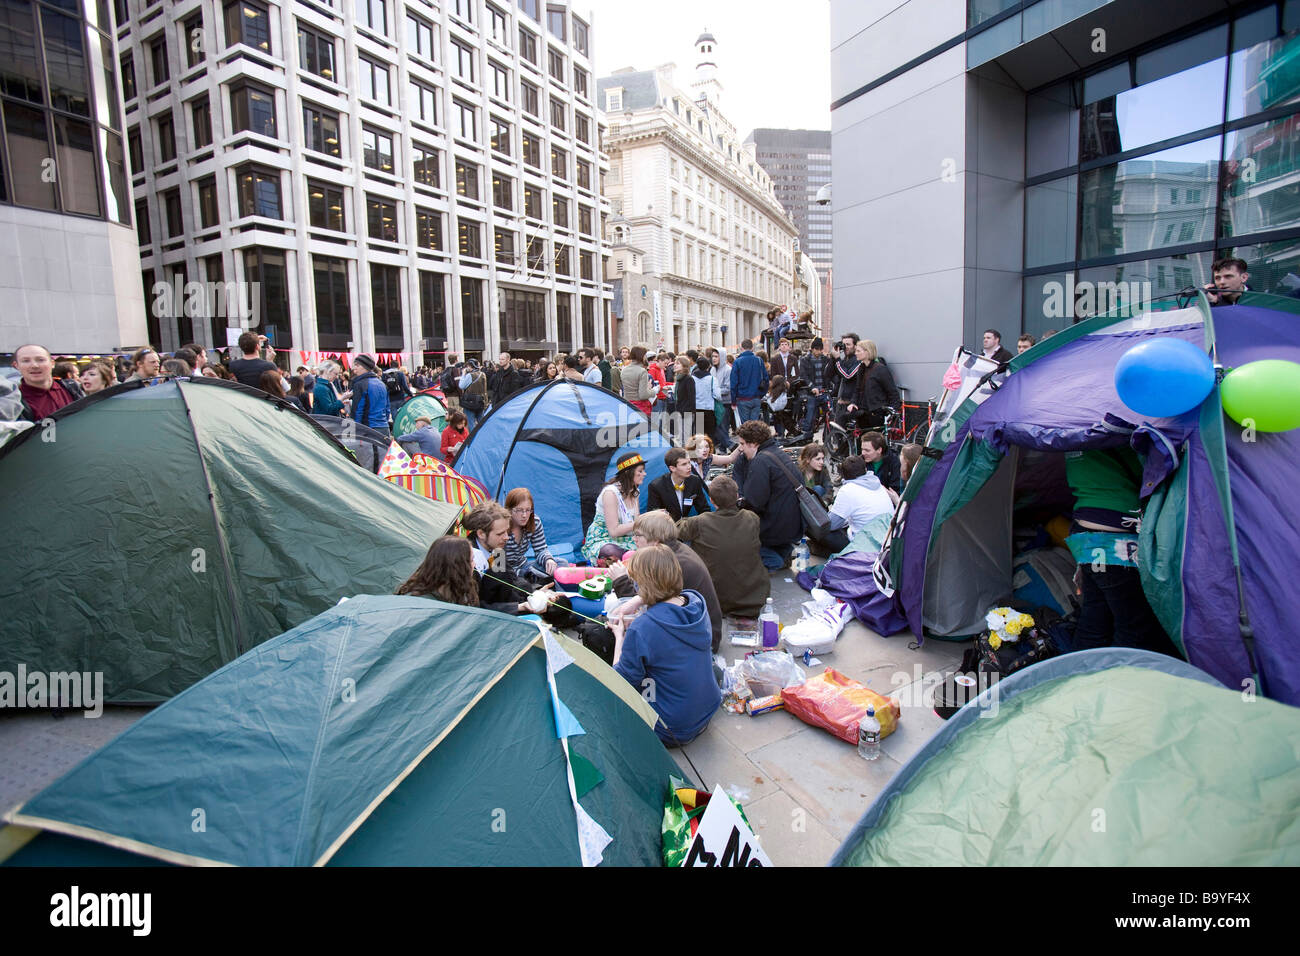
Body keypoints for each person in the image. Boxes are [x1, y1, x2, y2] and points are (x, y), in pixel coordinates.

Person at [1061, 447, 1177, 655]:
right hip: (1115, 541)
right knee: (1133, 628)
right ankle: (1121, 682)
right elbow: (1148, 471)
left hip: (1086, 535)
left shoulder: (1070, 428)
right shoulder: (1112, 428)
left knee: (1095, 619)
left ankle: (1075, 679)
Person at [608, 543, 720, 747]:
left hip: (672, 728)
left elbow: (622, 682)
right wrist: (639, 603)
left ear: (643, 584)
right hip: (708, 709)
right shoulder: (695, 602)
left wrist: (620, 638)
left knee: (608, 694)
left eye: (636, 582)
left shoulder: (642, 629)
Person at [608, 510, 723, 652]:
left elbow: (654, 611)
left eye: (638, 535)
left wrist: (621, 581)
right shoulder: (674, 553)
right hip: (696, 630)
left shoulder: (677, 564)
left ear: (655, 539)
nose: (634, 539)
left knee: (618, 632)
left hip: (700, 642)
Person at [675, 475, 770, 619]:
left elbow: (676, 530)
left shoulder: (700, 522)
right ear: (737, 496)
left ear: (712, 501)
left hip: (717, 600)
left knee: (684, 543)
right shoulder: (751, 518)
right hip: (755, 598)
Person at [463, 501, 559, 615]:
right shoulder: (469, 560)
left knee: (558, 605)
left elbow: (511, 580)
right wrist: (519, 607)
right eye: (500, 534)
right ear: (481, 534)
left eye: (507, 532)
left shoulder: (496, 549)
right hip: (487, 616)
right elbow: (477, 606)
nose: (506, 538)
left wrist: (535, 592)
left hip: (506, 604)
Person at [735, 420, 803, 569]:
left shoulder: (761, 461)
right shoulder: (777, 453)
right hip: (791, 524)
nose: (740, 449)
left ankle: (772, 560)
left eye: (742, 444)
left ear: (753, 443)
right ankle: (782, 553)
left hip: (774, 527)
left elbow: (755, 501)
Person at [810, 455, 897, 556]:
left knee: (821, 530)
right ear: (865, 469)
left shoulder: (848, 490)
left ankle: (829, 551)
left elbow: (830, 525)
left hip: (863, 545)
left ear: (843, 475)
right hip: (886, 540)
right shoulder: (877, 483)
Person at [581, 451, 645, 565]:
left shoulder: (635, 492)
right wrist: (643, 521)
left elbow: (636, 524)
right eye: (640, 471)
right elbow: (614, 531)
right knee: (611, 552)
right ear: (628, 473)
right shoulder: (610, 493)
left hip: (628, 538)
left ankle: (632, 558)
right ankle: (631, 559)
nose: (644, 474)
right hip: (604, 538)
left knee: (653, 545)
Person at [396, 535, 480, 607]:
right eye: (471, 560)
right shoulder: (417, 603)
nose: (474, 564)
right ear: (457, 567)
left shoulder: (465, 593)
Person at [503, 487, 563, 580]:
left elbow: (540, 549)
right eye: (519, 510)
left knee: (560, 564)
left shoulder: (534, 522)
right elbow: (497, 565)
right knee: (524, 580)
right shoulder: (501, 527)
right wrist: (519, 574)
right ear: (509, 509)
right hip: (504, 572)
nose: (524, 515)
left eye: (528, 510)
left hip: (523, 566)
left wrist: (548, 560)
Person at [13, 344, 82, 421]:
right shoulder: (15, 400)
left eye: (40, 360)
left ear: (52, 363)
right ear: (16, 366)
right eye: (26, 361)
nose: (34, 366)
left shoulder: (71, 387)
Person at [646, 448, 711, 521]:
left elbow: (704, 509)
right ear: (672, 468)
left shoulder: (694, 481)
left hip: (686, 527)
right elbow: (653, 517)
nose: (689, 467)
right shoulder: (656, 486)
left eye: (689, 462)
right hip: (666, 529)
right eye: (684, 464)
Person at [797, 337, 832, 441]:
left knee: (830, 416)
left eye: (820, 349)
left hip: (824, 391)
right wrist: (812, 387)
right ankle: (807, 438)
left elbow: (830, 375)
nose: (819, 352)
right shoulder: (804, 360)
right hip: (811, 393)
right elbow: (804, 376)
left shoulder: (826, 360)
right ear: (812, 349)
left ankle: (828, 437)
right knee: (810, 416)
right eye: (817, 349)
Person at [349, 353, 391, 435]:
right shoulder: (381, 383)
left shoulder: (360, 384)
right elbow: (387, 408)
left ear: (365, 367)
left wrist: (357, 431)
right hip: (384, 427)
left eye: (357, 365)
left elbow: (357, 411)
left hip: (368, 429)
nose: (354, 368)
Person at [729, 338, 768, 426]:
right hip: (756, 397)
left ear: (741, 348)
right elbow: (766, 379)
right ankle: (754, 439)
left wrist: (733, 401)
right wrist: (761, 394)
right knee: (754, 425)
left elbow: (733, 383)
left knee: (746, 426)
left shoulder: (737, 362)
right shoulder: (759, 361)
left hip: (742, 398)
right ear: (752, 348)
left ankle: (748, 440)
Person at [619, 345, 655, 416]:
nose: (646, 358)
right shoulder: (642, 371)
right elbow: (643, 395)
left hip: (628, 406)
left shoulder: (624, 370)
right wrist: (654, 391)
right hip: (640, 408)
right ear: (641, 356)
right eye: (645, 355)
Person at [709, 349, 733, 450]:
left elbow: (728, 388)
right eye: (713, 356)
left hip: (725, 402)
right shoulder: (712, 369)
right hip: (714, 402)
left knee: (723, 426)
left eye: (716, 356)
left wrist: (715, 391)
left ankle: (728, 445)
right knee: (717, 426)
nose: (714, 359)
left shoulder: (728, 369)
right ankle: (724, 447)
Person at [689, 355, 716, 441]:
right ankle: (711, 451)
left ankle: (699, 450)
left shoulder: (692, 378)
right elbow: (717, 395)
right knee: (710, 434)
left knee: (699, 433)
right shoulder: (712, 379)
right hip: (709, 408)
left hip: (697, 408)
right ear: (708, 367)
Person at [458, 360, 488, 429]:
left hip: (470, 402)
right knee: (481, 422)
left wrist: (463, 374)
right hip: (480, 401)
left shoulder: (470, 375)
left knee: (470, 423)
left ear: (470, 366)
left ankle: (473, 438)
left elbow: (461, 386)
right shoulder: (483, 374)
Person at [671, 356, 695, 439]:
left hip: (686, 412)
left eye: (678, 364)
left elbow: (691, 398)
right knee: (680, 436)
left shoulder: (688, 379)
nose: (675, 365)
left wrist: (687, 412)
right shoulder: (678, 379)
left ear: (684, 366)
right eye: (675, 363)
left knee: (685, 436)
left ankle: (686, 451)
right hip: (679, 411)